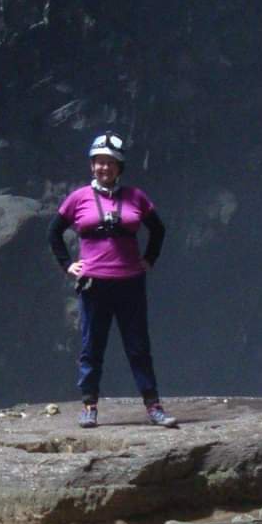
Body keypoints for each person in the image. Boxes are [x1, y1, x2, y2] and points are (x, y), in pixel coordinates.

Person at [48, 132, 177, 429]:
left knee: (138, 346)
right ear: (92, 166)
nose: (103, 168)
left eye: (110, 163)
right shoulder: (78, 198)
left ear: (119, 167)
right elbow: (54, 232)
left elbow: (158, 229)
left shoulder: (136, 197)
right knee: (91, 345)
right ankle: (89, 406)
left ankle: (153, 405)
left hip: (130, 282)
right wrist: (68, 266)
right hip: (94, 283)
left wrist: (149, 260)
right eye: (98, 163)